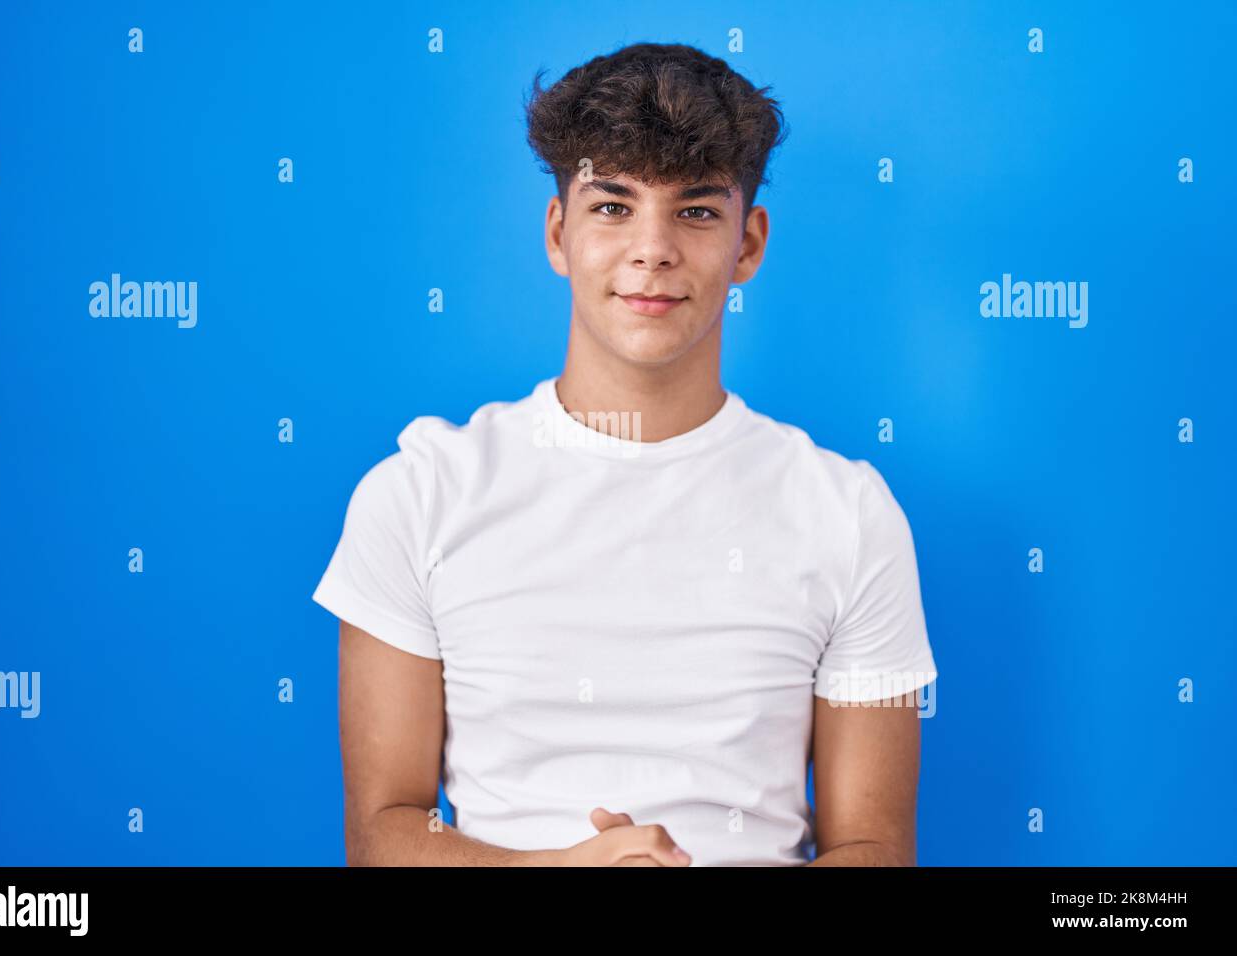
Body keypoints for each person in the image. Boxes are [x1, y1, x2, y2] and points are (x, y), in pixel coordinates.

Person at [313, 42, 938, 866]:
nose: (653, 250)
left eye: (696, 211)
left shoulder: (851, 513)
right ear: (558, 232)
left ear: (749, 244)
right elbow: (382, 831)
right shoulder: (419, 495)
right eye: (613, 207)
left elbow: (875, 848)